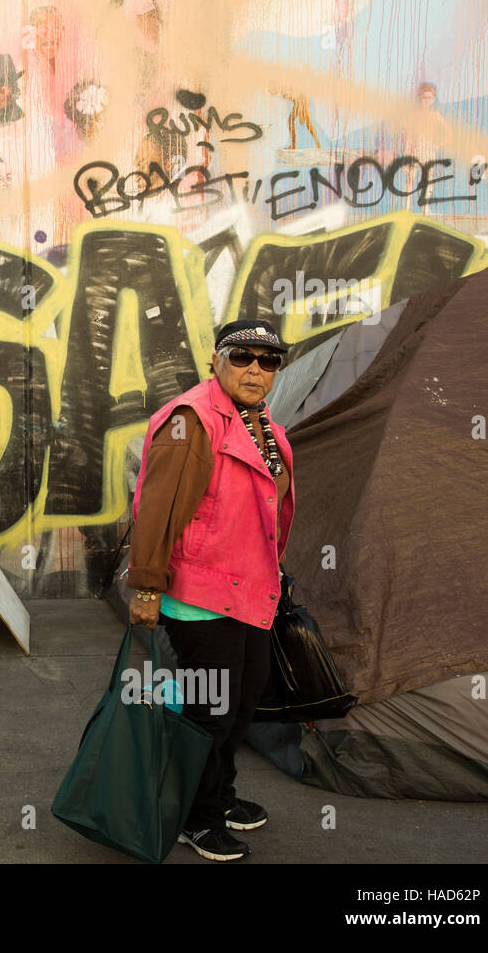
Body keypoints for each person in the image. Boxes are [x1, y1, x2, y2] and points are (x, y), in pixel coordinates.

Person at [127, 319, 295, 861]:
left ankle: (219, 797)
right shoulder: (192, 419)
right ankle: (194, 819)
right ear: (216, 362)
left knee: (242, 704)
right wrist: (147, 586)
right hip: (199, 592)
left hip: (249, 588)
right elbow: (157, 509)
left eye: (267, 361)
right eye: (242, 357)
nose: (255, 369)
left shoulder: (256, 418)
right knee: (210, 710)